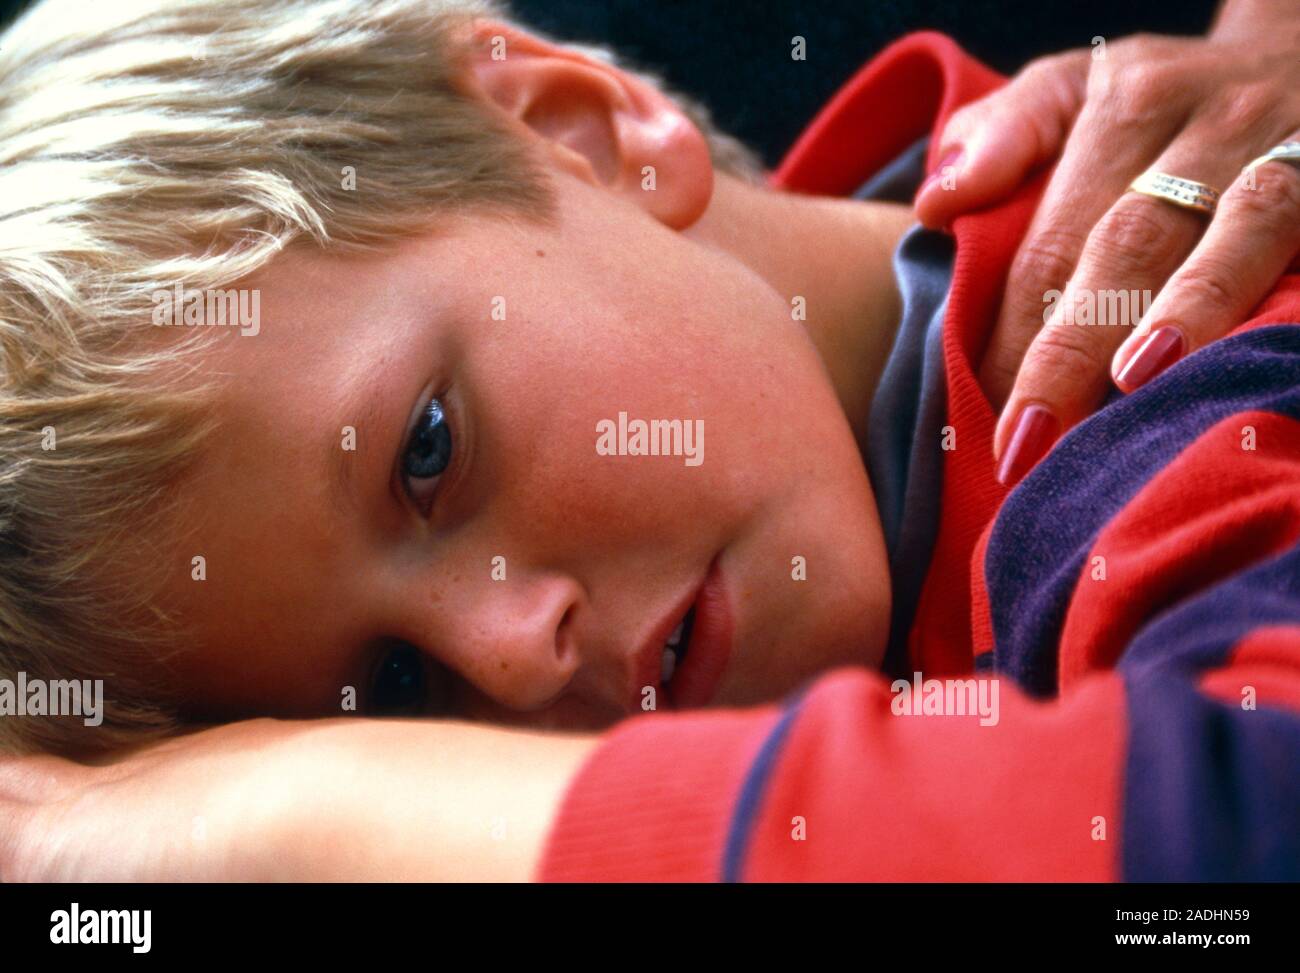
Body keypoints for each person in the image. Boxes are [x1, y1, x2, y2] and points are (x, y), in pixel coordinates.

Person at [0, 0, 1297, 881]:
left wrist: (269, 804)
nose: (514, 663)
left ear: (581, 134)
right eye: (391, 698)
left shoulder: (1203, 338)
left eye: (430, 451)